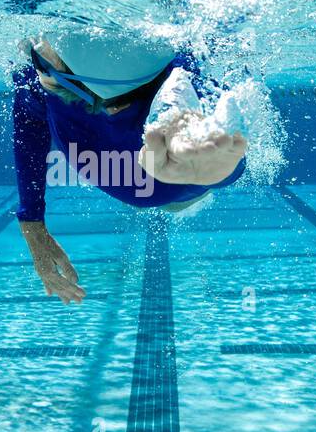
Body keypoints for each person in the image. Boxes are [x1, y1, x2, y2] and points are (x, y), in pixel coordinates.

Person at [13, 27, 248, 303]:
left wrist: (206, 156)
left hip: (172, 177)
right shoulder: (52, 74)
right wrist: (32, 224)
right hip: (151, 173)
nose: (30, 51)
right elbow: (28, 122)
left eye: (38, 58)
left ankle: (194, 176)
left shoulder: (175, 79)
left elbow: (191, 97)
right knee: (173, 184)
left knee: (182, 182)